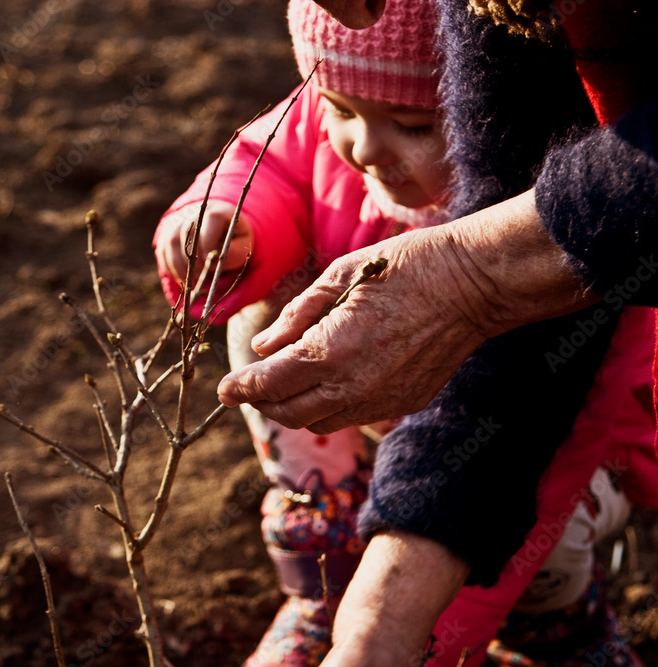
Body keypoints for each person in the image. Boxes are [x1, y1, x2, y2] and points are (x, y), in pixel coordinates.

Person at [153, 0, 658, 664]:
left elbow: (530, 415)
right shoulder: (353, 95)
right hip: (385, 420)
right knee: (264, 323)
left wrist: (425, 637)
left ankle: (561, 626)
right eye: (338, 110)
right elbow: (268, 160)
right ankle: (324, 585)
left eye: (415, 125)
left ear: (492, 115)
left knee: (536, 542)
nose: (363, 148)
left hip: (562, 453)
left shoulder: (572, 264)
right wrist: (227, 223)